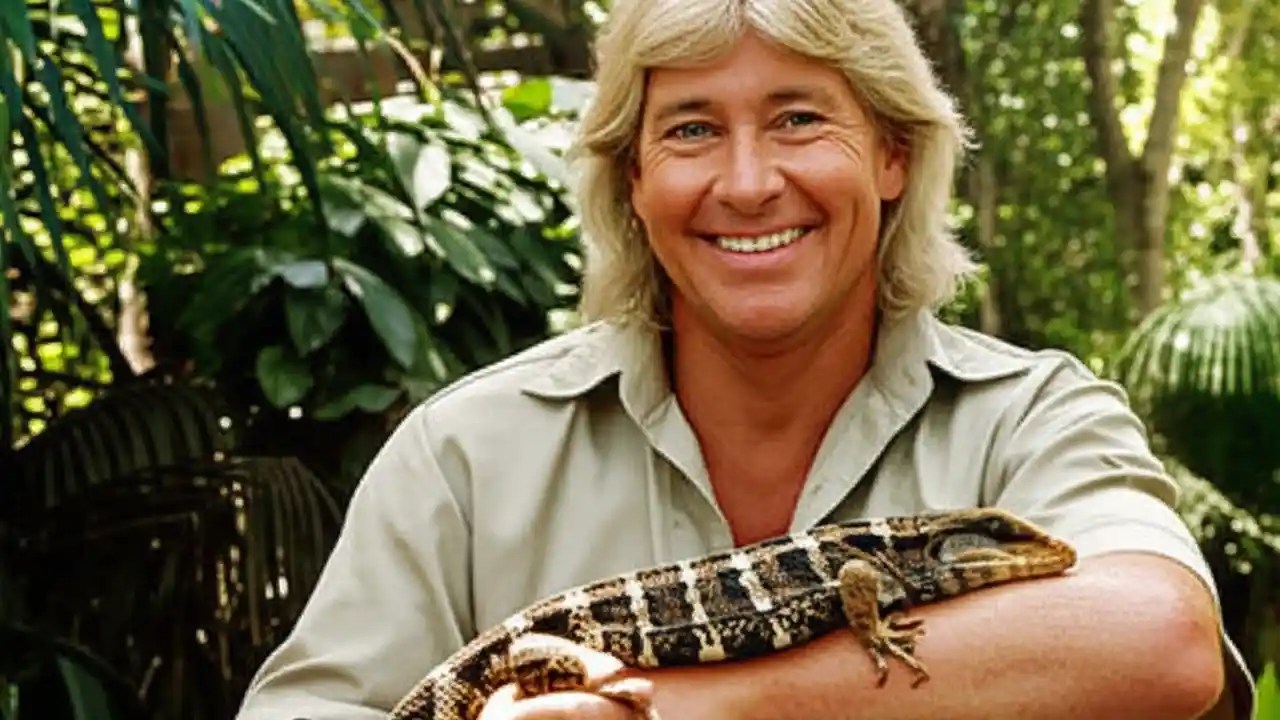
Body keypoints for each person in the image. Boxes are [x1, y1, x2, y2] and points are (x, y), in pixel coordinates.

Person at [236, 0, 1256, 717]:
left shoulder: (1030, 418)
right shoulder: (458, 454)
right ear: (632, 180)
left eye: (798, 118)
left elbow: (1162, 647)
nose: (748, 181)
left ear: (892, 154)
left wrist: (680, 714)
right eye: (689, 129)